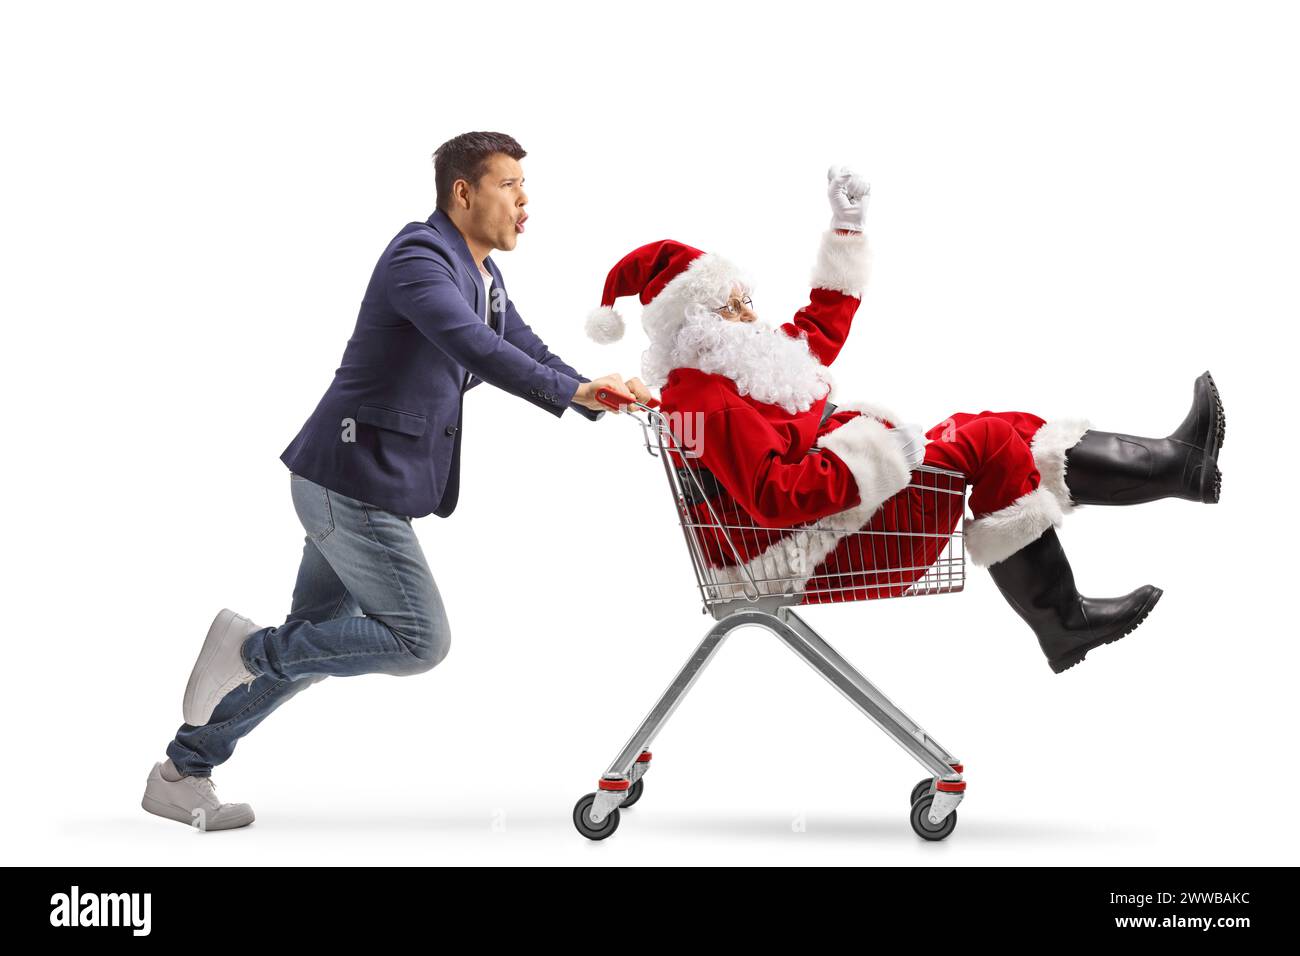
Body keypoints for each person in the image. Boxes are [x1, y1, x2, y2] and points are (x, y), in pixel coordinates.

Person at [142, 131, 652, 831]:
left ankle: (182, 771)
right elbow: (472, 344)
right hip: (350, 483)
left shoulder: (482, 273)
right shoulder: (419, 259)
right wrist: (569, 393)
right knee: (418, 640)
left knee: (317, 645)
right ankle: (246, 649)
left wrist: (586, 389)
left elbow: (517, 343)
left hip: (365, 481)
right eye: (509, 185)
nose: (524, 200)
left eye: (524, 188)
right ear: (462, 192)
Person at [583, 165, 1224, 675]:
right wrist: (873, 451)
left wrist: (846, 231)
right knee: (987, 440)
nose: (751, 317)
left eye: (747, 300)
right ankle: (1071, 607)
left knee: (997, 424)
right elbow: (776, 497)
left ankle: (1172, 476)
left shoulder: (739, 370)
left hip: (847, 520)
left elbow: (813, 332)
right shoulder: (707, 397)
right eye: (731, 308)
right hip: (818, 546)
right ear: (692, 326)